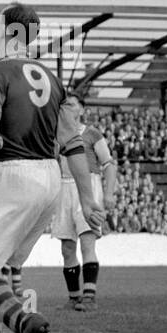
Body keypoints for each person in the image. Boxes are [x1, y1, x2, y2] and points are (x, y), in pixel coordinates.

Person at [0, 3, 104, 333]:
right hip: (50, 179)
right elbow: (73, 144)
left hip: (13, 174)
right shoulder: (53, 81)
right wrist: (88, 201)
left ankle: (24, 323)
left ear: (8, 31)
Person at [51, 92, 117, 310]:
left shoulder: (92, 133)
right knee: (67, 247)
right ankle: (74, 297)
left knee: (87, 240)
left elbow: (108, 163)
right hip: (63, 187)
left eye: (72, 105)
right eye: (65, 105)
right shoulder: (57, 134)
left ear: (81, 110)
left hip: (87, 186)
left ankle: (89, 296)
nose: (68, 108)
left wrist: (108, 194)